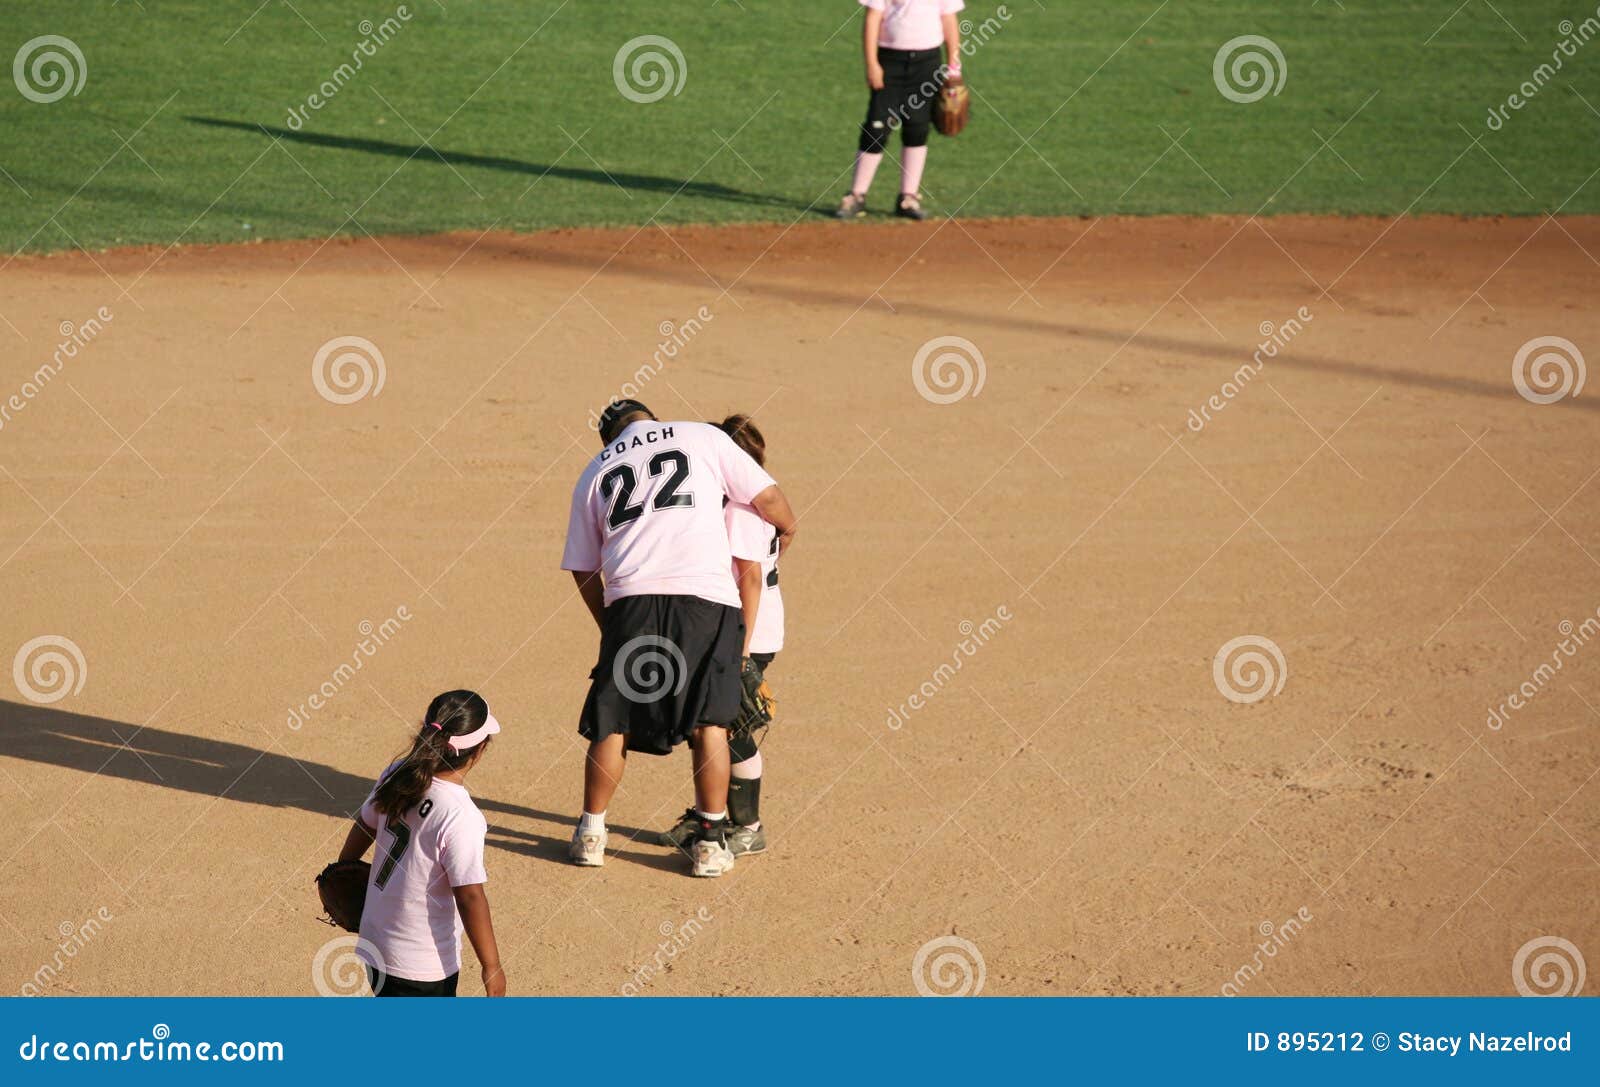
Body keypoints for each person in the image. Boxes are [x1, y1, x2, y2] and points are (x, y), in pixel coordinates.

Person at [561, 399, 798, 878]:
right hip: (704, 598)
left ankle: (591, 832)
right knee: (710, 719)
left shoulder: (596, 468)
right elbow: (767, 497)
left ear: (610, 437)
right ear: (653, 418)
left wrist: (611, 624)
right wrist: (789, 528)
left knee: (614, 719)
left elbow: (584, 568)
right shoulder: (701, 436)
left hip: (631, 598)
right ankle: (710, 842)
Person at [659, 415, 783, 857]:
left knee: (731, 727)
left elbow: (749, 581)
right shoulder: (739, 506)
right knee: (710, 725)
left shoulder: (741, 512)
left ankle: (747, 825)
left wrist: (742, 652)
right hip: (731, 630)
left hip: (748, 633)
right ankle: (713, 813)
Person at [338, 690, 505, 997]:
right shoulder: (460, 815)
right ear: (479, 750)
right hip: (423, 963)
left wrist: (341, 870)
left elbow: (366, 822)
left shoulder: (398, 773)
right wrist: (491, 966)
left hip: (376, 943)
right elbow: (469, 896)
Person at [835, 0, 965, 221]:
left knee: (917, 127)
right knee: (877, 127)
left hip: (927, 62)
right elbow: (872, 18)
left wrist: (954, 67)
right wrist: (872, 64)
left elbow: (949, 19)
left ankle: (908, 197)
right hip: (890, 61)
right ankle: (856, 195)